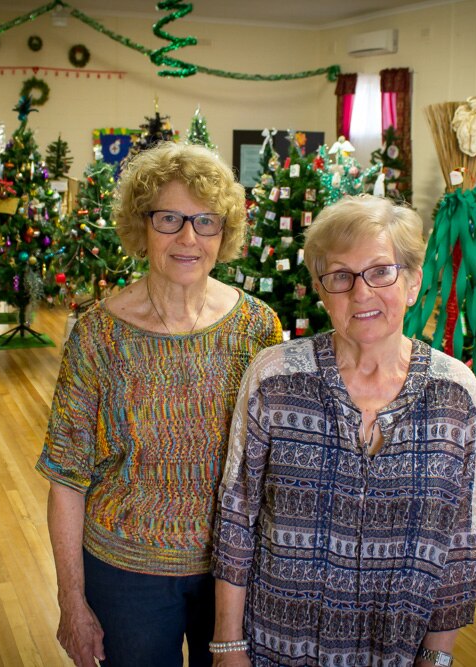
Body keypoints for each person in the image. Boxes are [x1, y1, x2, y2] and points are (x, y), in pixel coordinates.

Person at [210, 195, 476, 667]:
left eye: (381, 271)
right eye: (340, 276)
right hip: (277, 647)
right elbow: (237, 514)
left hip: (396, 652)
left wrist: (437, 659)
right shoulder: (275, 377)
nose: (361, 293)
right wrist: (227, 644)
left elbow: (462, 540)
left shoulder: (456, 392)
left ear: (413, 282)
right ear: (321, 290)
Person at [36, 142, 282, 667]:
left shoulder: (258, 327)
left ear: (225, 231)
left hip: (233, 572)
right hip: (127, 576)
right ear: (140, 225)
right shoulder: (99, 334)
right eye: (169, 219)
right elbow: (65, 476)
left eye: (205, 221)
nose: (188, 238)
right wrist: (70, 601)